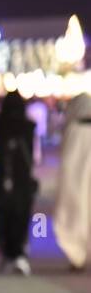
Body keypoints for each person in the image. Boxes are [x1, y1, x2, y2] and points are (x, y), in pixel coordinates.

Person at [0, 91, 37, 274]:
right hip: (22, 180)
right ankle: (18, 253)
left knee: (3, 214)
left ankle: (7, 253)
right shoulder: (28, 126)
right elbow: (35, 156)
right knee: (20, 215)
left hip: (1, 177)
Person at [54, 92, 91, 271]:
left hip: (76, 183)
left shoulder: (74, 129)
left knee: (76, 216)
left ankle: (77, 256)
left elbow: (67, 160)